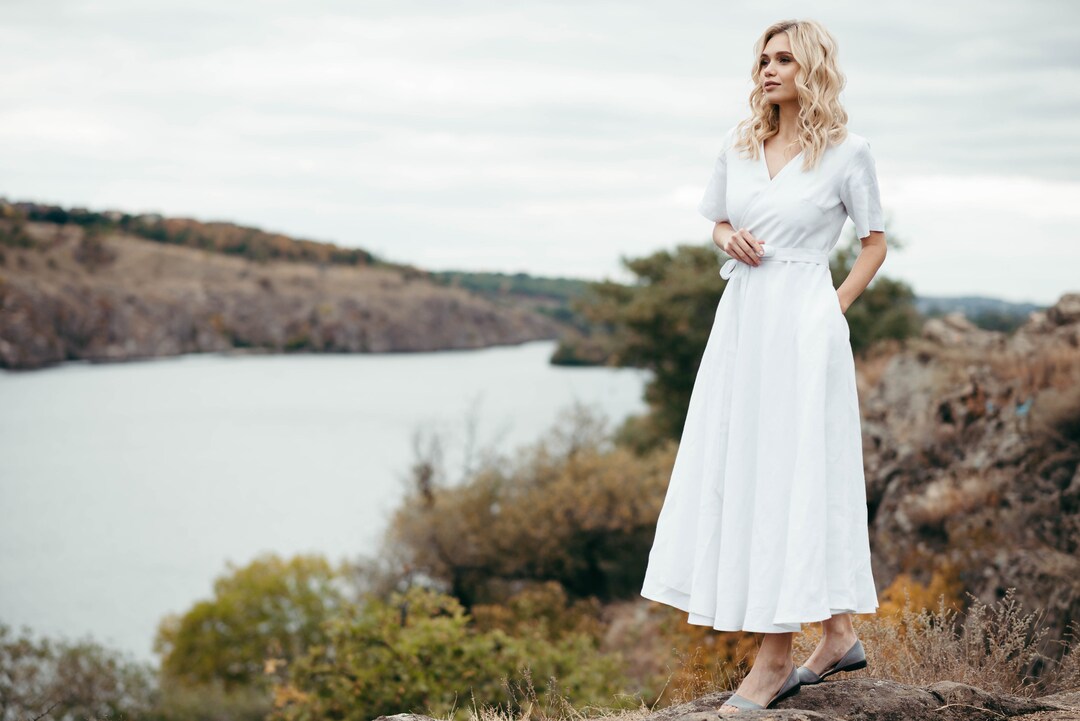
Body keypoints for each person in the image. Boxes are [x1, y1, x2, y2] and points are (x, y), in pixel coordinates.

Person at [639, 18, 886, 713]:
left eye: (783, 58)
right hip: (744, 321)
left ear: (810, 67)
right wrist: (730, 236)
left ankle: (773, 660)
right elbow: (715, 219)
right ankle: (836, 634)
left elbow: (874, 242)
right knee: (749, 470)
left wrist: (832, 307)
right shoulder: (738, 142)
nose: (768, 69)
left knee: (792, 474)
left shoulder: (848, 151)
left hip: (806, 323)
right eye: (762, 59)